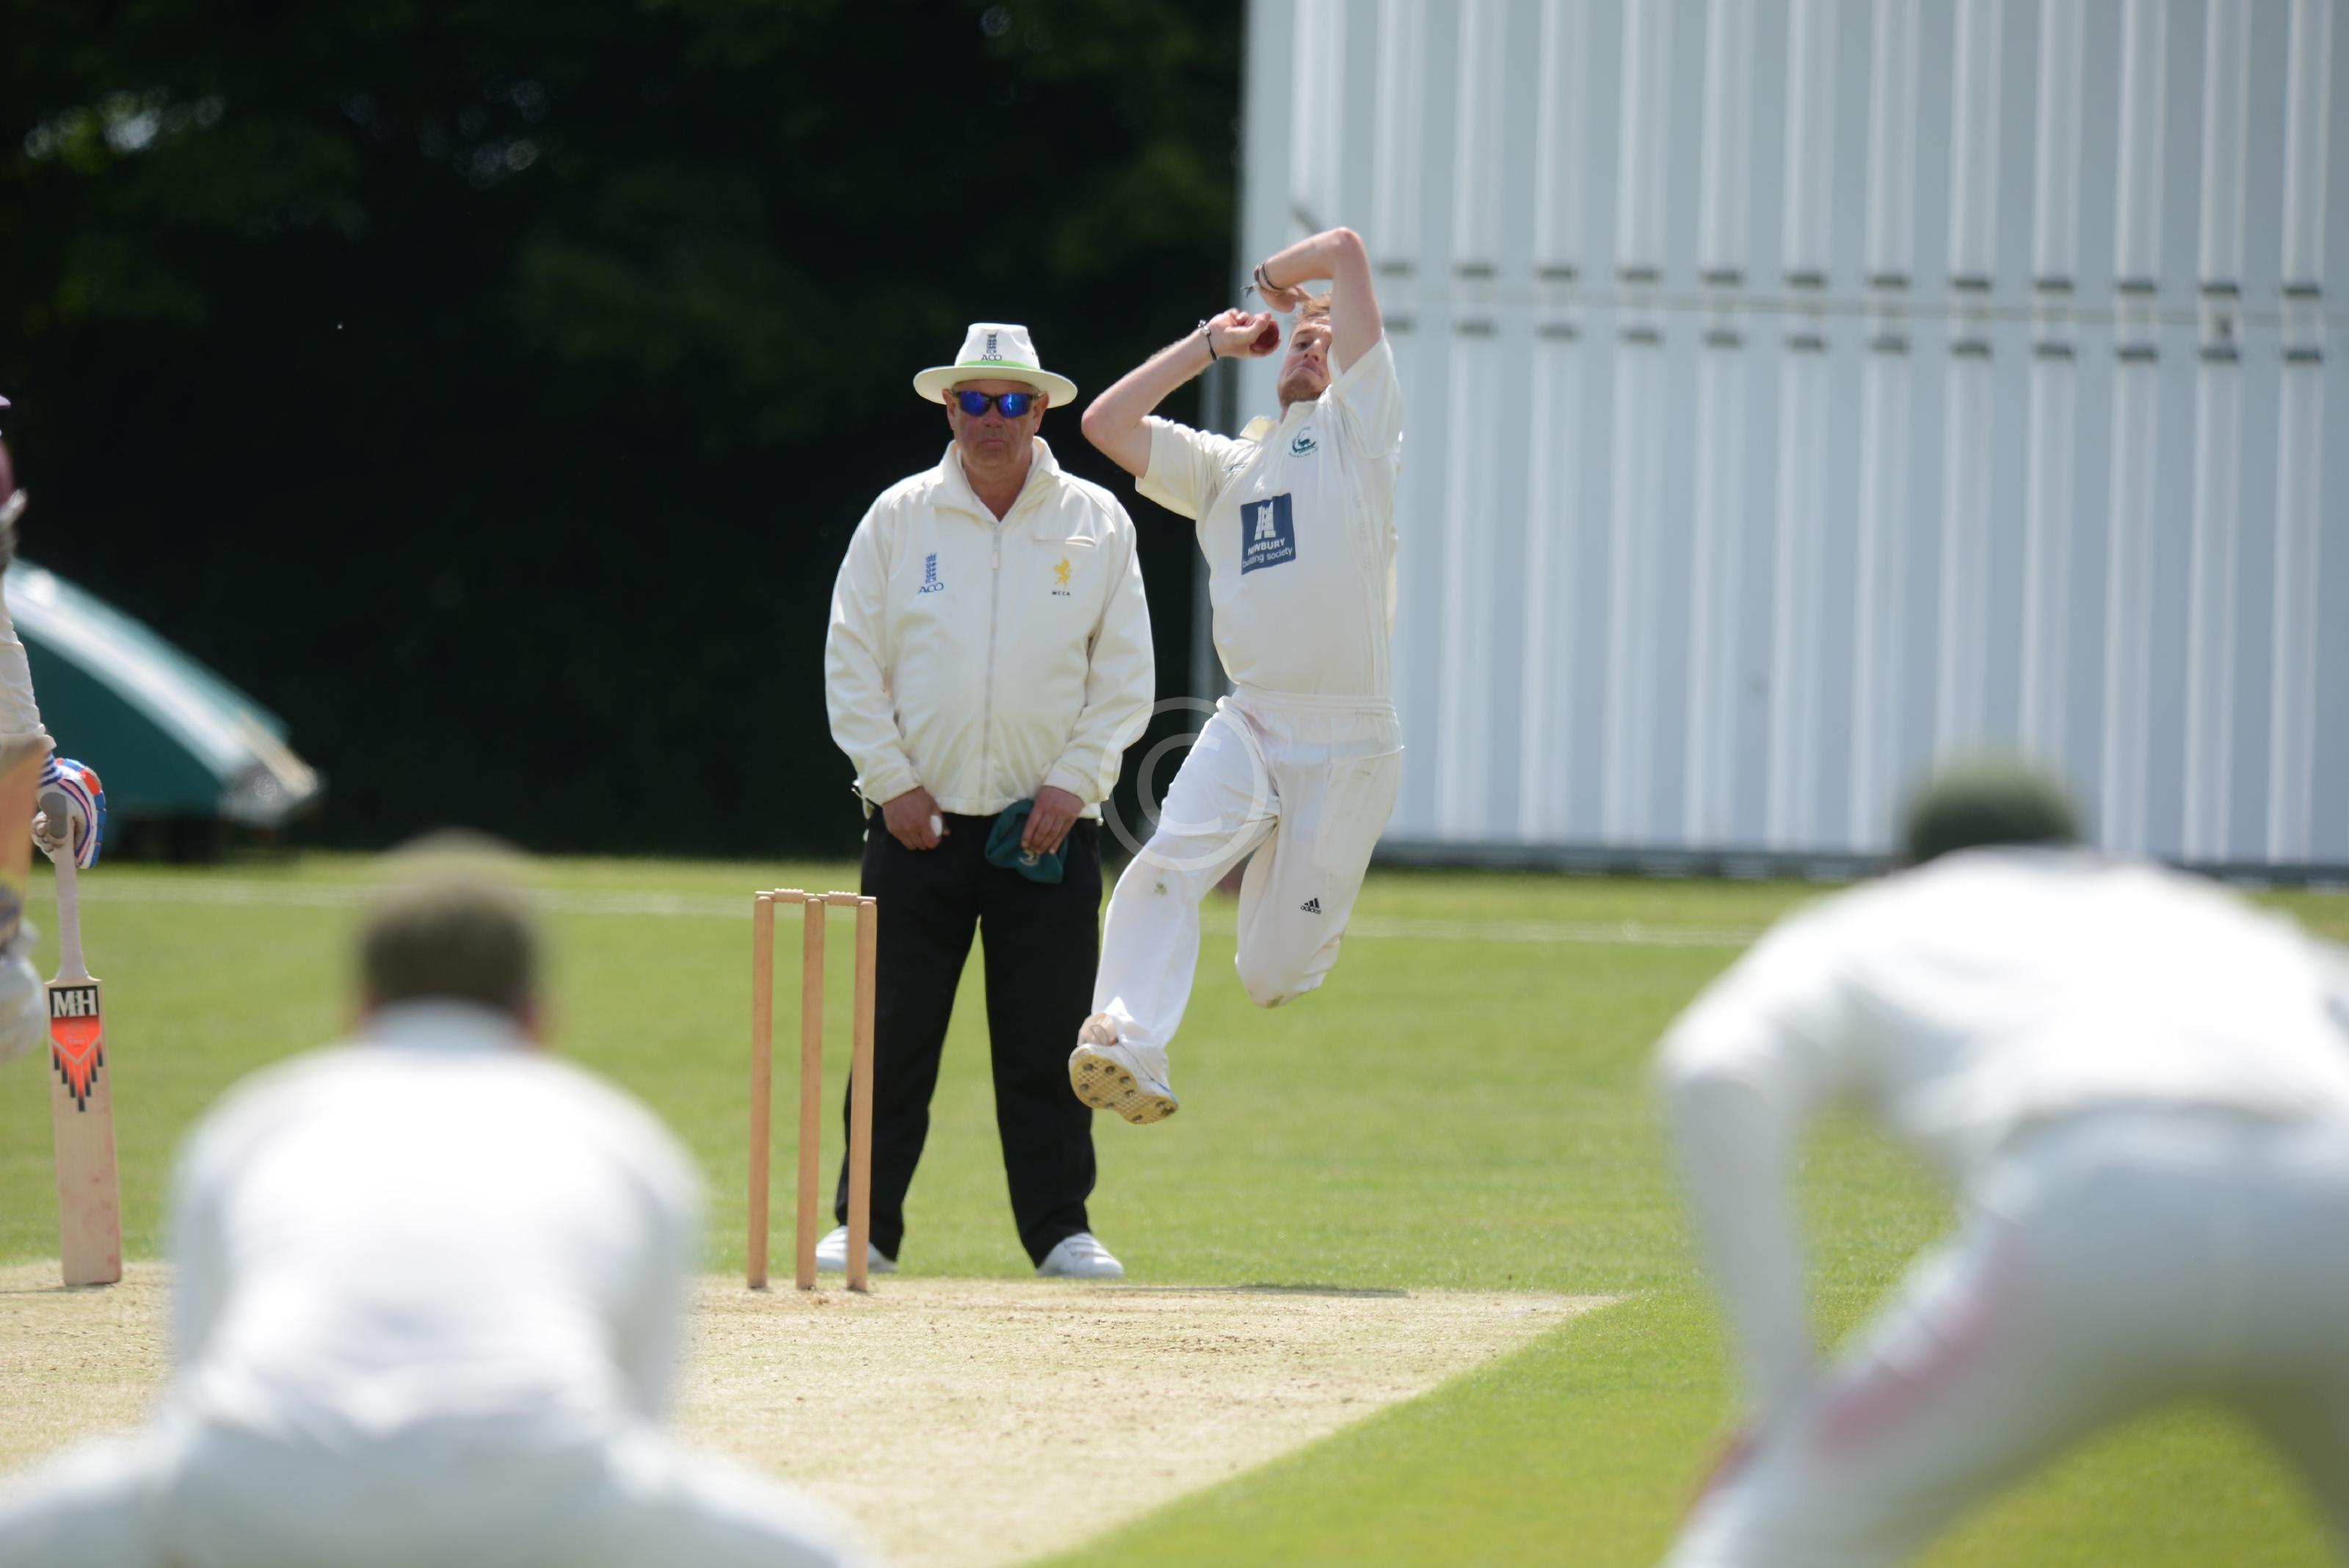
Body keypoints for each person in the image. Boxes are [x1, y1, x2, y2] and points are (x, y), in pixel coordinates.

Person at [0, 851, 877, 1568]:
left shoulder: (252, 1126)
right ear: (537, 1017)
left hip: (253, 1493)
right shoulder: (626, 1145)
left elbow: (194, 1379)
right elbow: (638, 1421)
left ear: (360, 1010)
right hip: (548, 1503)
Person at [1655, 761, 2349, 1566]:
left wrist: (1784, 1407)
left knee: (1768, 1543)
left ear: (1904, 867)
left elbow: (1712, 1070)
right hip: (2330, 1200)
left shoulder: (1876, 922)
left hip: (2101, 1209)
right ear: (2073, 850)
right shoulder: (2185, 910)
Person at [823, 323, 1152, 1280]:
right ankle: (865, 1228)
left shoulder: (1095, 520)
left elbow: (1124, 676)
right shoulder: (900, 516)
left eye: (1012, 402)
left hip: (1045, 829)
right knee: (891, 1038)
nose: (992, 419)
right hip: (916, 827)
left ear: (1040, 410)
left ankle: (1060, 1231)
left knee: (1048, 1040)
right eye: (975, 400)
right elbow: (851, 658)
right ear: (949, 409)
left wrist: (1074, 782)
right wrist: (891, 782)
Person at [1070, 225, 1402, 1124]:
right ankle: (1125, 1040)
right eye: (1297, 339)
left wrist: (1277, 282)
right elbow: (1104, 425)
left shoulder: (1363, 439)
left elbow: (1344, 250)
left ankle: (1296, 894)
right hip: (1250, 722)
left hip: (1348, 745)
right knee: (1164, 862)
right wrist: (1209, 343)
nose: (1307, 346)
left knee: (1267, 976)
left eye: (1326, 341)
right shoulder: (1229, 467)